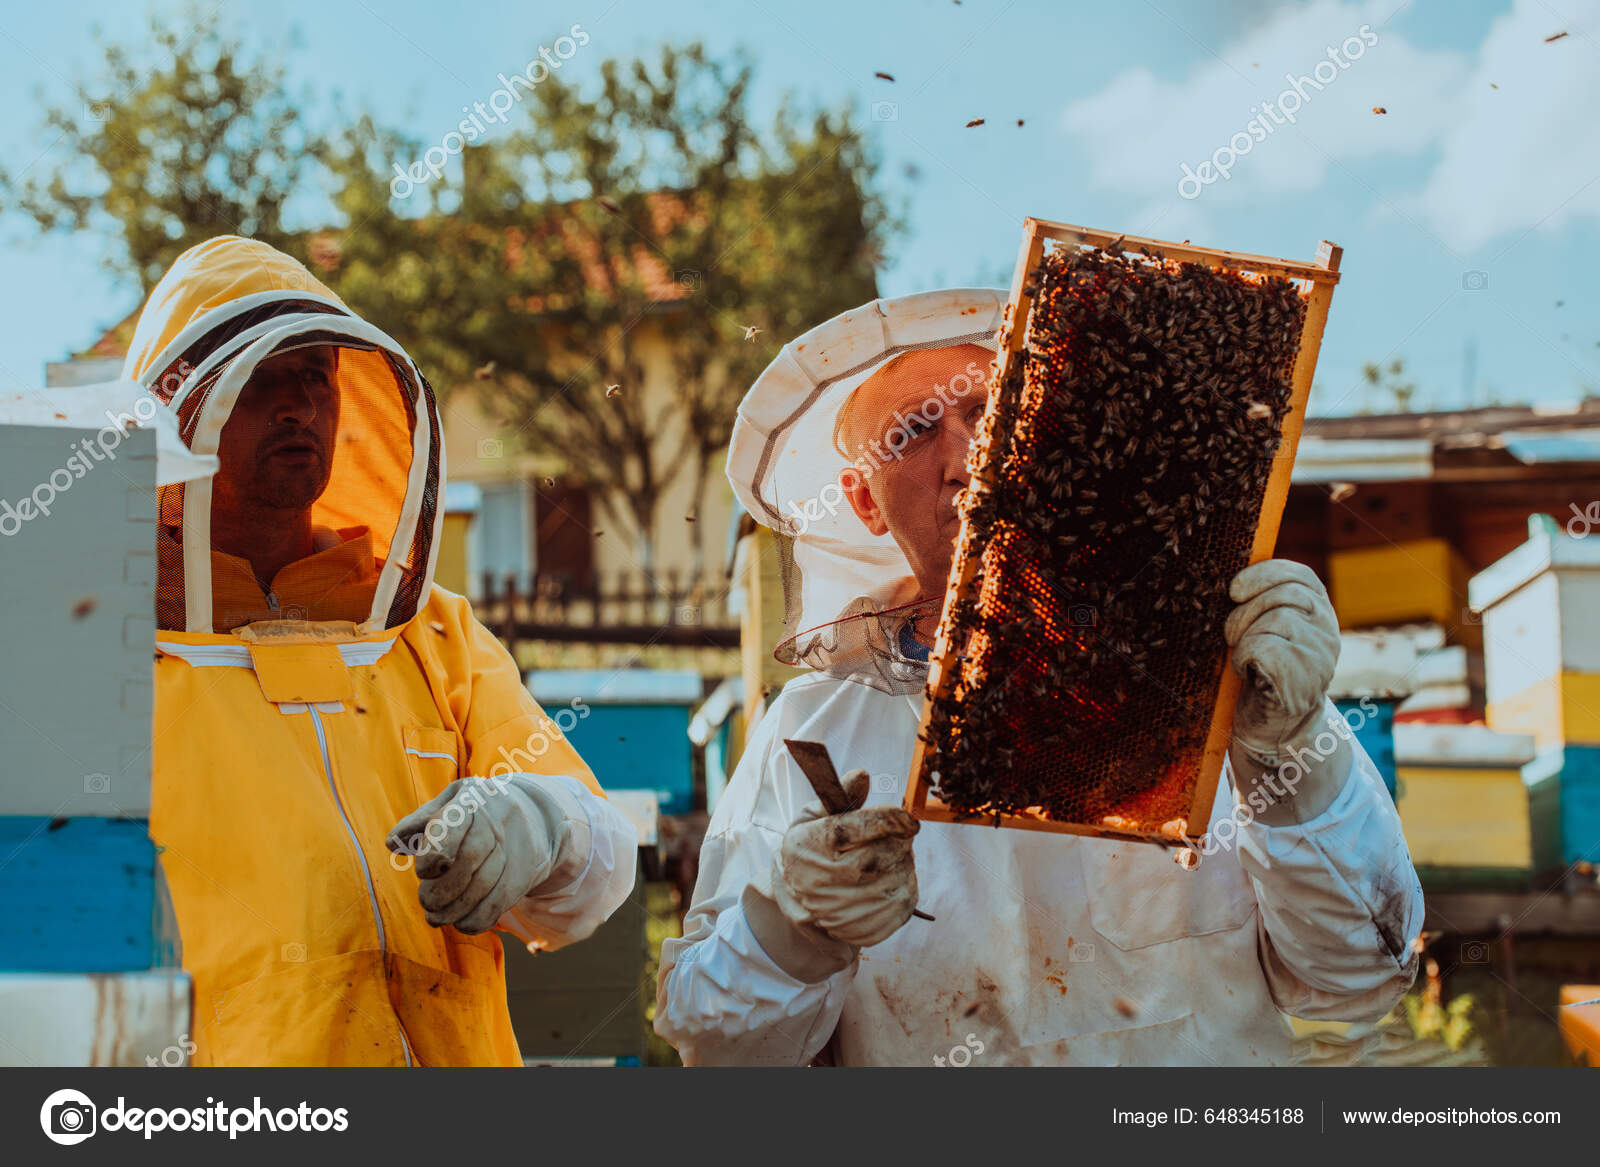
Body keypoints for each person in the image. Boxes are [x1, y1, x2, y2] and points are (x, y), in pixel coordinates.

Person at [655, 288, 1422, 1066]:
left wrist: (1294, 749)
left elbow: (1360, 974)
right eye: (914, 431)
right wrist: (796, 928)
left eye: (992, 414)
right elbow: (719, 1050)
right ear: (863, 501)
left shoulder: (1209, 677)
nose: (966, 458)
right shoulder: (811, 728)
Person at [124, 236, 636, 1066]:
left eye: (315, 377)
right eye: (258, 380)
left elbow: (597, 873)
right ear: (176, 415)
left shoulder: (431, 630)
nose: (298, 407)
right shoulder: (108, 651)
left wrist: (540, 822)